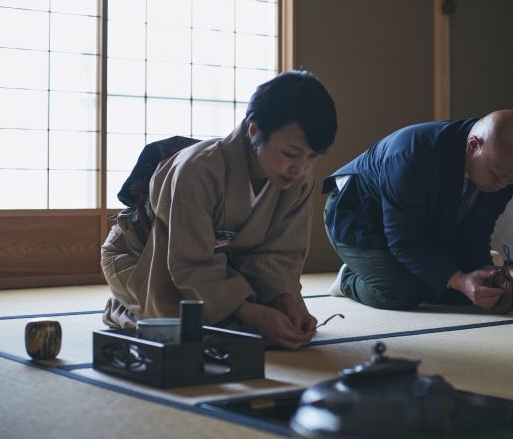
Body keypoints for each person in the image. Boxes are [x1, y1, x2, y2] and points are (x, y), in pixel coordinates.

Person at [101, 70, 338, 350]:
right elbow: (189, 263)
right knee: (185, 332)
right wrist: (251, 312)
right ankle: (124, 307)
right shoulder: (198, 169)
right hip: (147, 256)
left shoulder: (300, 180)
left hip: (222, 264)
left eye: (312, 156)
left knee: (271, 321)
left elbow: (280, 255)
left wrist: (285, 300)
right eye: (290, 153)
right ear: (254, 130)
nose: (300, 168)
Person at [322, 110, 513, 311]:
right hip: (358, 216)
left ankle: (395, 273)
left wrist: (483, 272)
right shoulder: (412, 153)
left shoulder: (505, 171)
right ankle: (348, 278)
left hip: (413, 225)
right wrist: (457, 279)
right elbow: (404, 239)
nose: (504, 184)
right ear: (473, 146)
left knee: (468, 293)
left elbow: (477, 229)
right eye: (497, 174)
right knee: (403, 293)